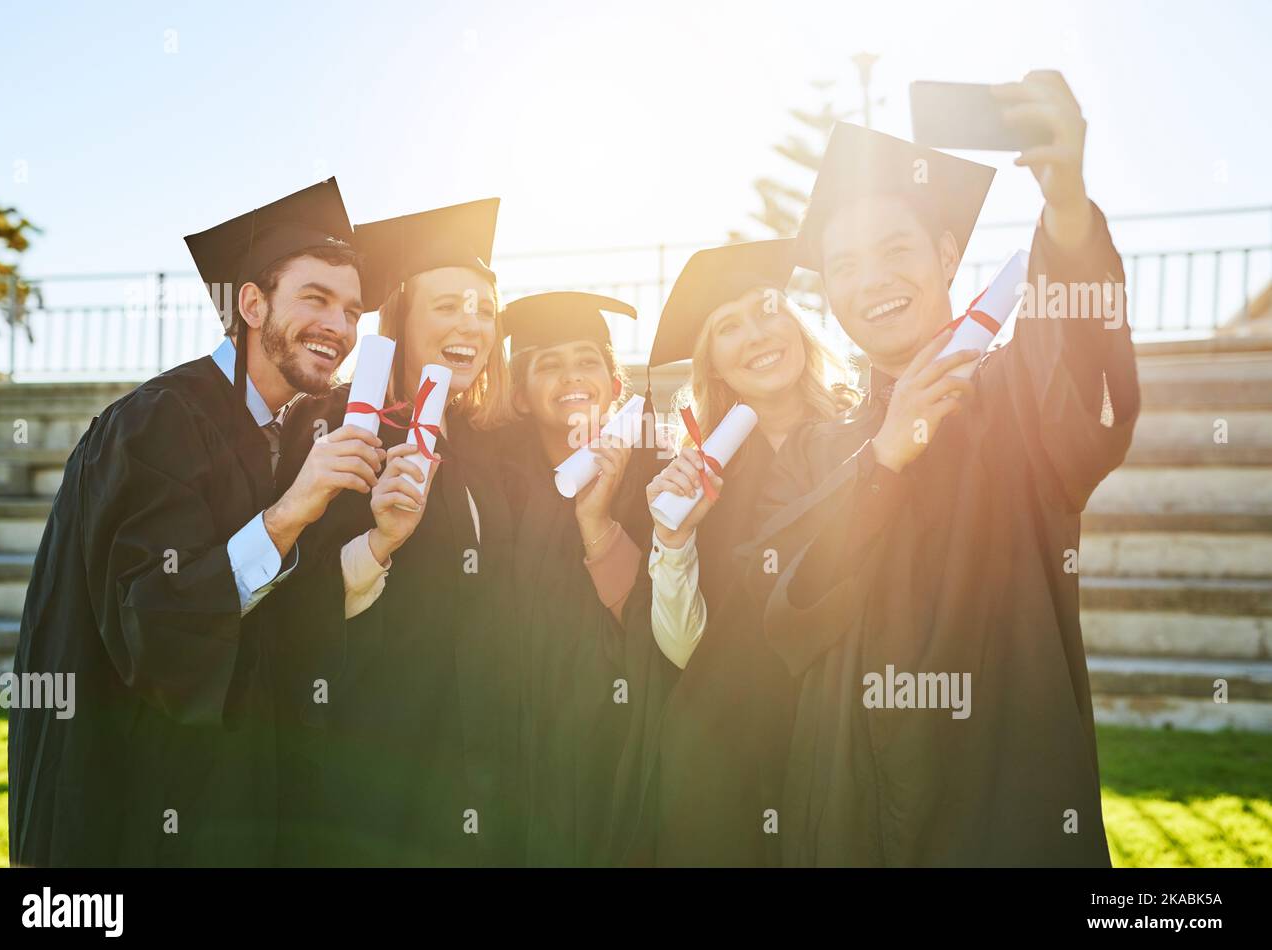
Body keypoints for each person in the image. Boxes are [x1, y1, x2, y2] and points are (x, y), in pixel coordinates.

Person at [757, 73, 1138, 866]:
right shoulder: (819, 449)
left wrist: (1066, 209)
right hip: (846, 808)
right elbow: (788, 614)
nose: (872, 281)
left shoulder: (1011, 396)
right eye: (844, 266)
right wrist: (885, 458)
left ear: (945, 254)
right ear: (827, 295)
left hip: (999, 801)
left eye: (896, 249)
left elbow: (1085, 376)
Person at [8, 178, 387, 866]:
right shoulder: (157, 423)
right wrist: (290, 513)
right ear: (250, 302)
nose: (339, 325)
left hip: (229, 801)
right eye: (316, 298)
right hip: (135, 810)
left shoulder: (287, 433)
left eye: (353, 309)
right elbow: (153, 623)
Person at [274, 198, 523, 866]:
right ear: (403, 319)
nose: (470, 320)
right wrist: (378, 544)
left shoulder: (493, 441)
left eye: (483, 308)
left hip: (481, 748)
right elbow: (286, 600)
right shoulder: (327, 422)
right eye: (446, 305)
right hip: (369, 748)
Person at [617, 239, 862, 866]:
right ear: (714, 365)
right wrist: (675, 539)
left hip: (855, 745)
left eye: (768, 308)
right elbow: (682, 650)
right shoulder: (699, 480)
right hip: (730, 766)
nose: (756, 334)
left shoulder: (869, 437)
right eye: (728, 326)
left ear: (798, 323)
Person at [492, 291, 669, 866]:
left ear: (616, 383)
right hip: (513, 745)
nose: (572, 376)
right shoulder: (491, 488)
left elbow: (658, 629)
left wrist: (599, 521)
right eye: (548, 363)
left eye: (588, 360)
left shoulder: (658, 473)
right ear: (519, 395)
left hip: (622, 742)